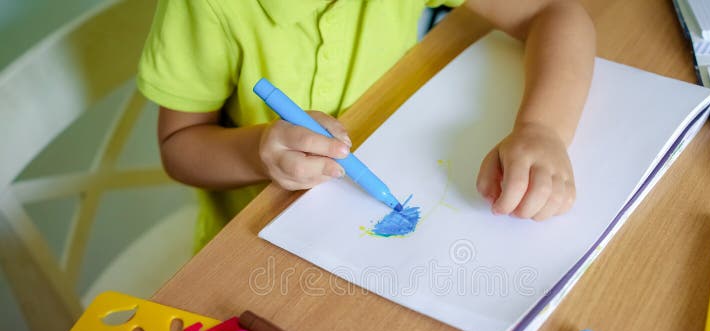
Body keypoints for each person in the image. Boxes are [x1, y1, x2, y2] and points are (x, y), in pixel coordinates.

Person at [137, 0, 595, 250]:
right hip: (256, 241)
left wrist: (543, 129)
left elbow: (554, 11)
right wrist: (259, 150)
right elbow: (179, 144)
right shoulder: (206, 7)